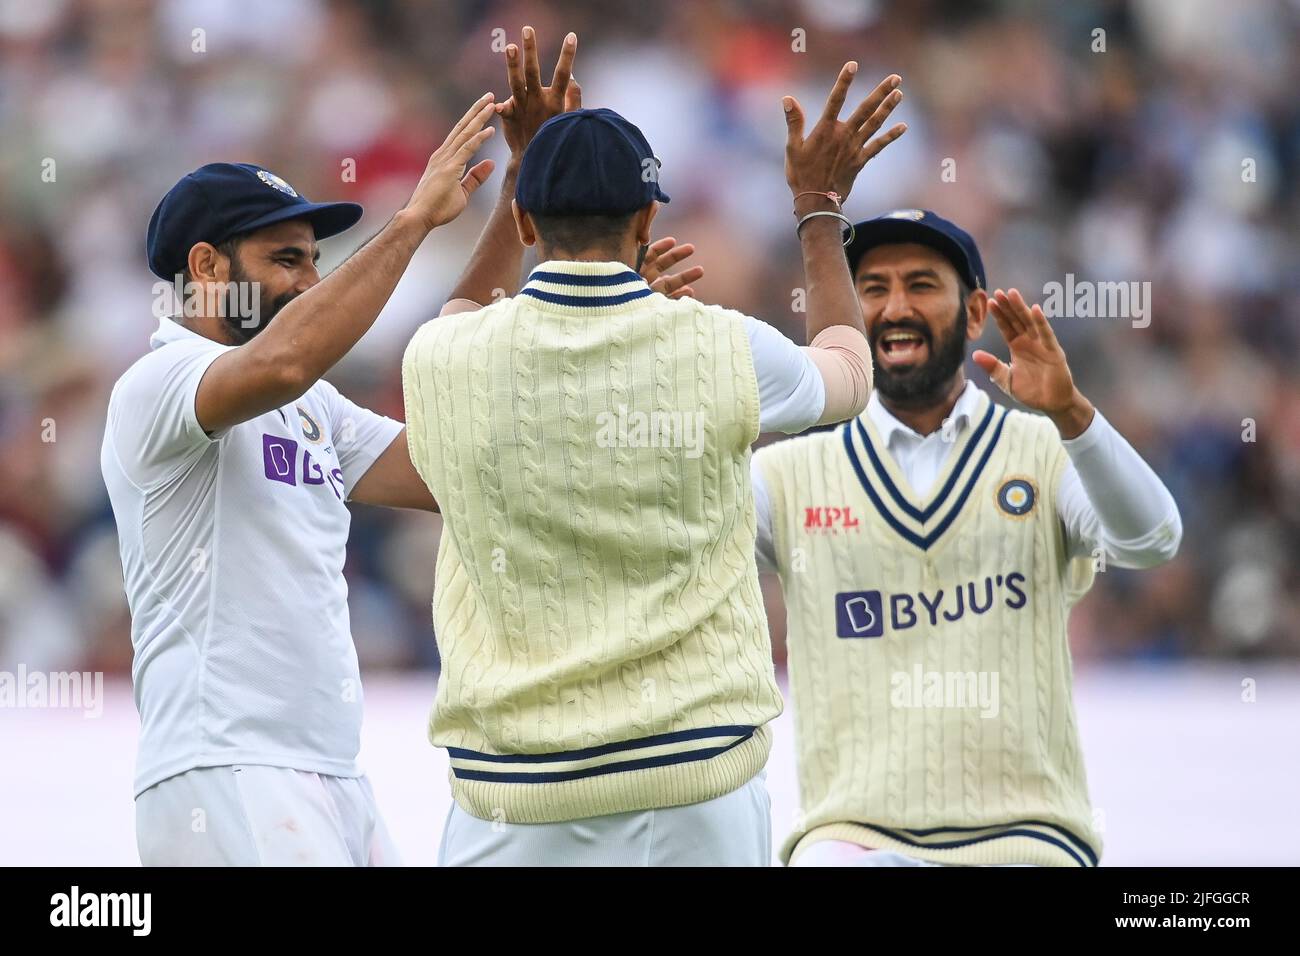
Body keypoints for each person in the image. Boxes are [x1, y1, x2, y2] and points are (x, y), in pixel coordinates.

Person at [402, 58, 904, 866]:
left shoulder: (441, 356)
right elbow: (848, 375)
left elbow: (467, 309)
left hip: (514, 793)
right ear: (645, 219)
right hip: (694, 778)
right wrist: (818, 209)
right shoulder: (721, 345)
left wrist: (520, 178)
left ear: (528, 224)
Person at [101, 91, 499, 866]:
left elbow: (453, 473)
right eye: (286, 259)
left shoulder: (313, 406)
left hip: (331, 771)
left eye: (313, 259)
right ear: (207, 267)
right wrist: (412, 222)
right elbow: (285, 359)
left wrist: (516, 218)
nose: (311, 281)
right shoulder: (157, 385)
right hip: (225, 768)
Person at [751, 209, 1183, 866]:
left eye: (922, 284)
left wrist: (1072, 414)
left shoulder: (1041, 449)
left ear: (975, 310)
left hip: (1027, 838)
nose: (896, 307)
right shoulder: (786, 474)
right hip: (854, 839)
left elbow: (1153, 538)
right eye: (873, 289)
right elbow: (666, 533)